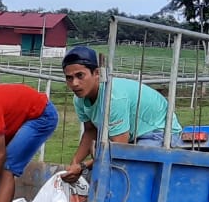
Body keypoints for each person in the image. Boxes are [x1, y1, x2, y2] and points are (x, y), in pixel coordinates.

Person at [60, 45, 180, 182]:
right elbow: (90, 131)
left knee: (128, 175)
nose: (74, 83)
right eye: (69, 78)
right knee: (101, 172)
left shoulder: (113, 97)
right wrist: (74, 164)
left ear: (97, 73)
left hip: (160, 134)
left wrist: (82, 166)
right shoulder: (79, 98)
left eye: (80, 75)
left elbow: (119, 150)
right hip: (132, 138)